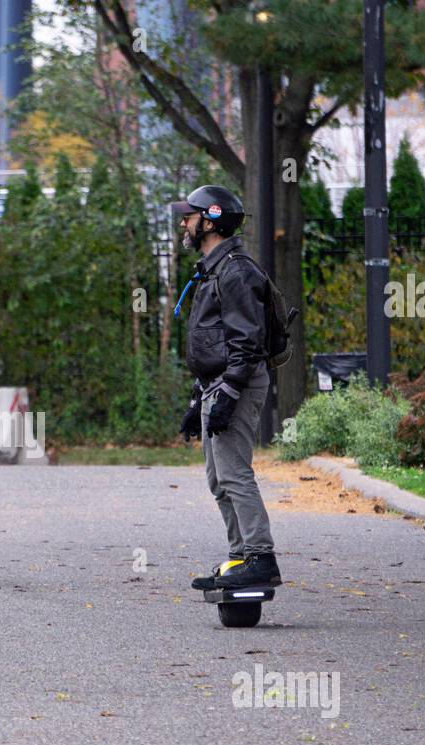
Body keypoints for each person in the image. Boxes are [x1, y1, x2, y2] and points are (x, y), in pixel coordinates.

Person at [172, 185, 282, 590]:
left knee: (235, 474)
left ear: (211, 220)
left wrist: (229, 395)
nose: (184, 222)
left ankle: (261, 557)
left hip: (235, 384)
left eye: (190, 215)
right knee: (219, 480)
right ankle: (240, 556)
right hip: (217, 384)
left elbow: (247, 343)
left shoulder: (235, 271)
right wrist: (198, 399)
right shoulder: (214, 268)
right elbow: (216, 343)